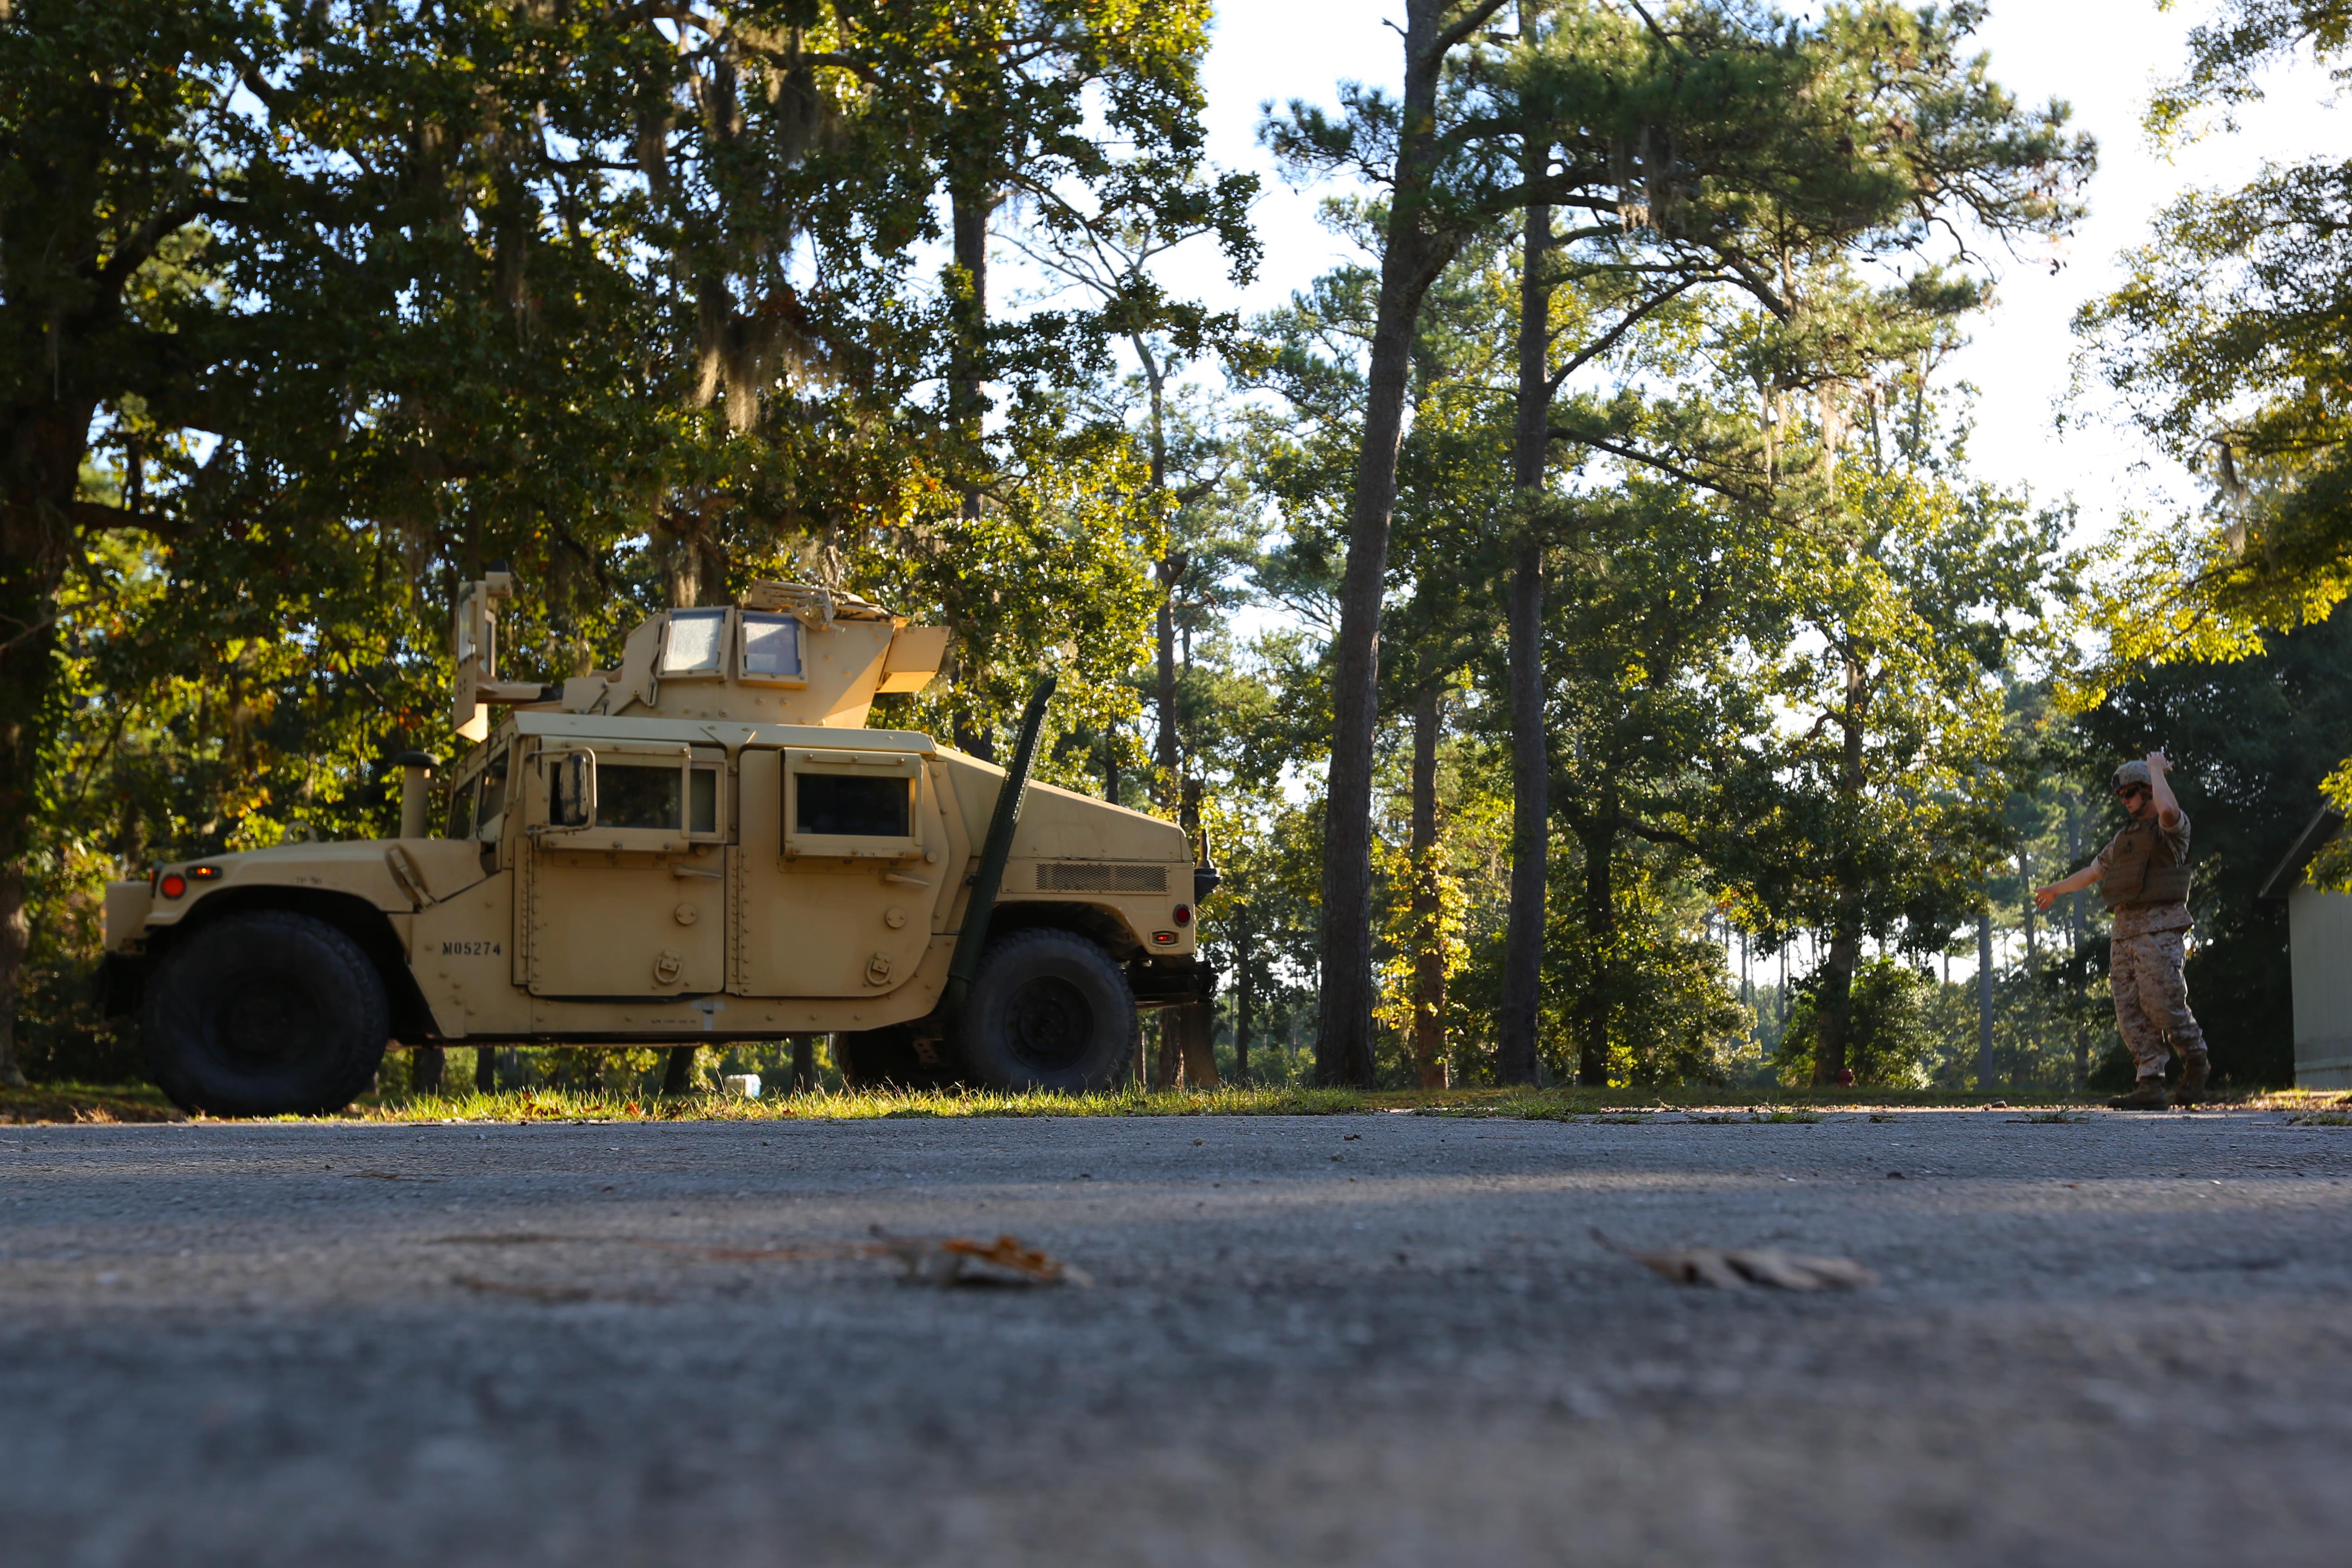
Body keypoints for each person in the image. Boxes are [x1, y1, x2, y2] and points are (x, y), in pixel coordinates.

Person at [2033, 751, 2209, 1109]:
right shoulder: (2123, 838)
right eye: (2121, 796)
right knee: (2129, 1010)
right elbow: (2094, 872)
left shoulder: (2170, 830)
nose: (2124, 801)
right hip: (2124, 932)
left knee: (2163, 1003)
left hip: (2159, 930)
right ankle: (2149, 1083)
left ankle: (2195, 1058)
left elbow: (2168, 812)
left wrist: (2157, 770)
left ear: (2146, 789)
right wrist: (2055, 889)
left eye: (2129, 793)